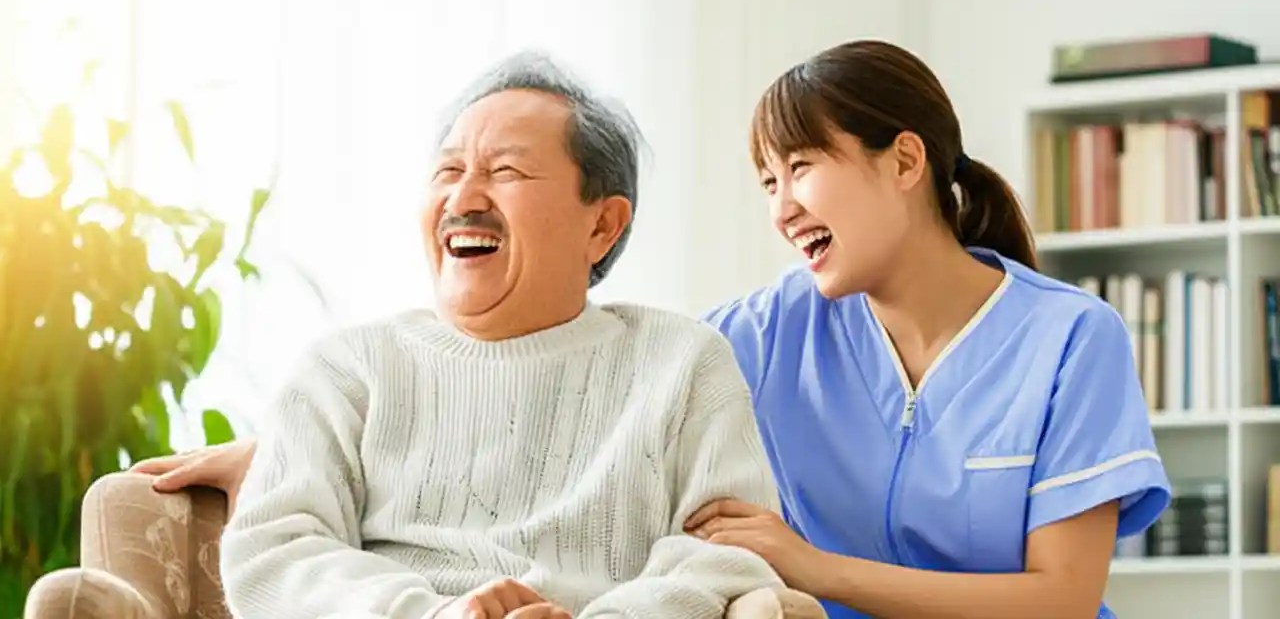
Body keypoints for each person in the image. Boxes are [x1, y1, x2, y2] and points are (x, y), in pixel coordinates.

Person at [135, 40, 1170, 619]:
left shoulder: (1065, 340)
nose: (779, 206)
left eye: (800, 168)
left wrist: (808, 567)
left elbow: (1062, 596)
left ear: (903, 163)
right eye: (765, 181)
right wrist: (291, 455)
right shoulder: (752, 337)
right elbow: (559, 377)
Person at [196, 51, 790, 619]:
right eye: (449, 170)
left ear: (603, 225)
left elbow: (725, 553)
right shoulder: (347, 367)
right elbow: (275, 552)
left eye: (505, 171)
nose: (463, 197)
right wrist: (435, 612)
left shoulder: (682, 363)